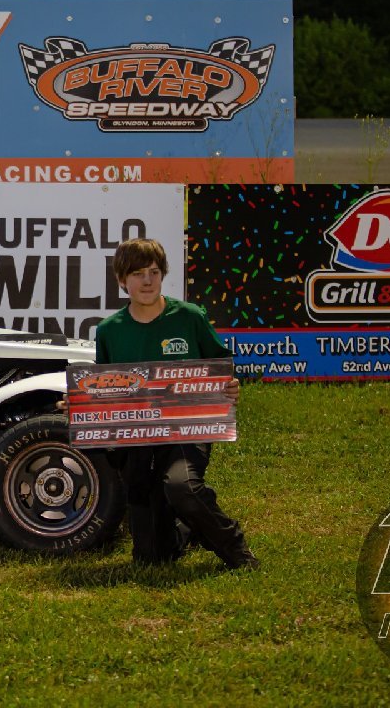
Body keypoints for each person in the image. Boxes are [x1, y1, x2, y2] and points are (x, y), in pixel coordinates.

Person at [95, 237, 259, 571]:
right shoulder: (109, 331)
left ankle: (236, 550)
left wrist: (231, 386)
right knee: (153, 557)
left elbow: (220, 367)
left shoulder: (189, 317)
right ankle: (189, 528)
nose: (147, 280)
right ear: (121, 280)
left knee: (181, 486)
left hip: (188, 428)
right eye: (138, 273)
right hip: (137, 438)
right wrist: (80, 407)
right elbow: (103, 392)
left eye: (154, 272)